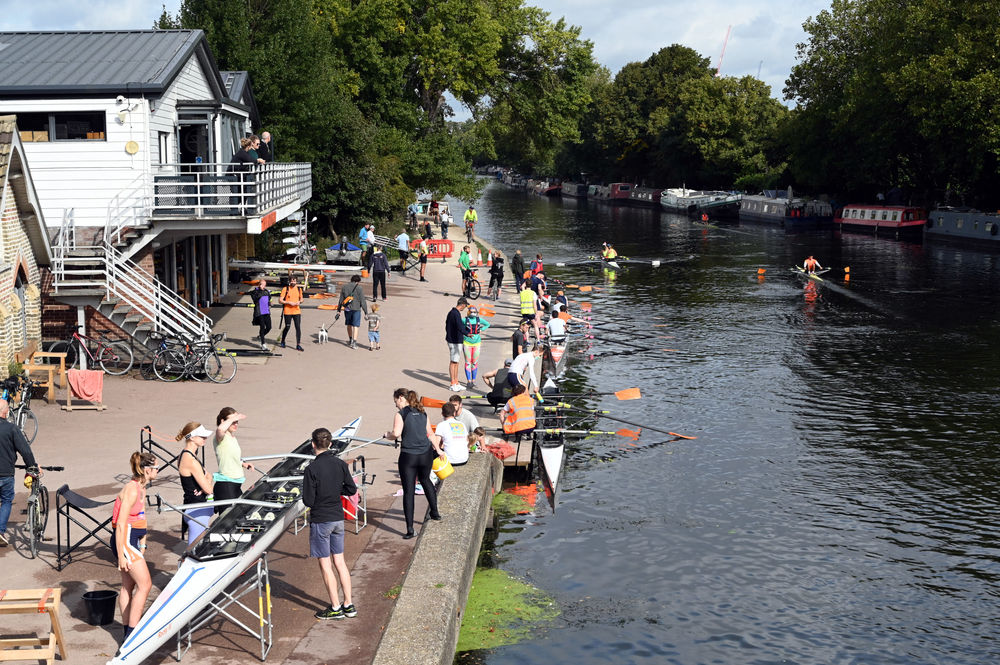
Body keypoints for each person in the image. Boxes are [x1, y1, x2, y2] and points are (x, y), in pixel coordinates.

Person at [303, 427, 358, 620]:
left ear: (313, 444)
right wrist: (335, 490)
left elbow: (308, 501)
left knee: (326, 565)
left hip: (321, 520)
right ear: (331, 444)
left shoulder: (311, 469)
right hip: (337, 518)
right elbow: (351, 489)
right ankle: (349, 604)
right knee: (340, 562)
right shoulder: (340, 464)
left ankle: (335, 607)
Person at [384, 389, 443, 539]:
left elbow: (396, 433)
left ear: (401, 398)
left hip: (409, 456)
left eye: (396, 402)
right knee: (426, 480)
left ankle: (410, 529)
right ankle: (435, 513)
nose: (396, 405)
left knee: (408, 490)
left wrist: (387, 435)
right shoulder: (423, 412)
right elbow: (430, 434)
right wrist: (438, 450)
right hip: (425, 455)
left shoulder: (401, 414)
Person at [112, 451, 158, 643]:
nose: (158, 471)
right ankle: (132, 635)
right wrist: (122, 555)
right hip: (125, 541)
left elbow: (142, 516)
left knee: (128, 586)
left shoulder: (141, 486)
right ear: (147, 470)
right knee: (145, 585)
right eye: (156, 468)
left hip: (133, 541)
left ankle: (126, 634)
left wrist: (144, 541)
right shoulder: (132, 489)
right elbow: (121, 524)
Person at [0, 397, 36, 546]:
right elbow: (25, 451)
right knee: (7, 501)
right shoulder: (12, 429)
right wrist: (32, 466)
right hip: (6, 473)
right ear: (6, 411)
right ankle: (0, 530)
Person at [176, 423, 215, 545]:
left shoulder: (189, 455)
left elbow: (209, 476)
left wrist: (204, 487)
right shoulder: (190, 460)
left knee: (197, 548)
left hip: (196, 508)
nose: (205, 439)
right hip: (196, 511)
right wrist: (205, 487)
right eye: (202, 436)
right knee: (193, 550)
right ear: (192, 437)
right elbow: (209, 489)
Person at [212, 408, 255, 513]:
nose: (235, 424)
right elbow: (220, 430)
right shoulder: (220, 437)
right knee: (228, 520)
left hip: (236, 483)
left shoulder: (232, 437)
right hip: (226, 484)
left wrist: (243, 464)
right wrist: (233, 418)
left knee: (240, 515)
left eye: (237, 422)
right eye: (232, 421)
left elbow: (229, 456)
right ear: (223, 421)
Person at [338, 273, 369, 349]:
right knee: (356, 326)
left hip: (347, 309)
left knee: (349, 324)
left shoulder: (344, 287)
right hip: (356, 309)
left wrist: (338, 310)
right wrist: (366, 312)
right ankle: (354, 343)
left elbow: (341, 300)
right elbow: (363, 301)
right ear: (357, 281)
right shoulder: (359, 288)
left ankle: (350, 339)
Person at [445, 297, 469, 391]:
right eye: (465, 305)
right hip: (454, 341)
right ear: (462, 304)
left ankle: (456, 382)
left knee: (456, 362)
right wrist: (467, 334)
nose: (465, 308)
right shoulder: (455, 314)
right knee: (453, 362)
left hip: (454, 340)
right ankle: (452, 383)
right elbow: (460, 326)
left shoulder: (452, 313)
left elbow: (447, 325)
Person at [462, 305, 490, 384]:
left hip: (477, 344)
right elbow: (459, 327)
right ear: (468, 312)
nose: (473, 313)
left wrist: (482, 329)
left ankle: (473, 380)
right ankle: (468, 381)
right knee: (468, 363)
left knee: (474, 363)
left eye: (475, 312)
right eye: (471, 312)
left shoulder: (479, 319)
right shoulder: (464, 320)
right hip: (467, 343)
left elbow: (487, 324)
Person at [279, 275, 304, 351]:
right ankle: (283, 340)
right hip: (288, 311)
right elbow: (280, 300)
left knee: (298, 328)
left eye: (294, 281)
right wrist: (288, 302)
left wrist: (299, 302)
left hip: (296, 311)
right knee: (287, 327)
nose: (293, 282)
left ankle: (298, 344)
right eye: (292, 281)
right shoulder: (285, 289)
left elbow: (302, 299)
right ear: (289, 281)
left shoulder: (299, 289)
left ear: (296, 281)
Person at [250, 279, 272, 351]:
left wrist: (270, 303)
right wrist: (261, 291)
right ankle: (263, 344)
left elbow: (269, 300)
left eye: (265, 285)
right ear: (259, 285)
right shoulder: (255, 292)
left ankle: (260, 336)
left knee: (269, 327)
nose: (264, 286)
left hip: (266, 311)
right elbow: (255, 299)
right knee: (262, 327)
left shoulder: (266, 291)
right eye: (263, 285)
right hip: (259, 312)